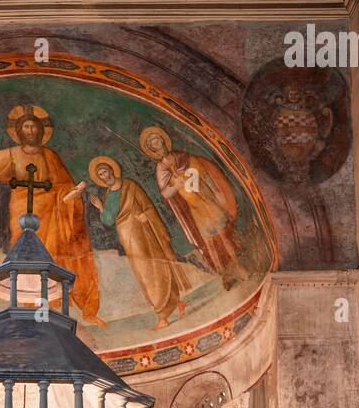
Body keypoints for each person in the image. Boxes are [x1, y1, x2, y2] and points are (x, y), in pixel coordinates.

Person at [0, 104, 105, 325]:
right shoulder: (13, 153)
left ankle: (51, 306)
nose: (31, 131)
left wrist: (71, 194)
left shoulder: (50, 155)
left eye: (34, 127)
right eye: (26, 127)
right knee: (22, 251)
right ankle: (26, 305)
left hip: (52, 209)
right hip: (22, 206)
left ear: (41, 131)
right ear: (19, 131)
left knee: (52, 251)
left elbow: (64, 184)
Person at [87, 156, 198, 330]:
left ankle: (163, 314)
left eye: (105, 171)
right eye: (100, 175)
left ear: (111, 170)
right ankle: (174, 304)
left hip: (143, 231)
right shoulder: (108, 195)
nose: (104, 176)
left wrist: (146, 215)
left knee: (155, 267)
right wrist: (101, 207)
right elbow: (108, 221)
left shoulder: (130, 185)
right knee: (144, 274)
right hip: (128, 237)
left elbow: (147, 204)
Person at [140, 126, 244, 291]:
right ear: (153, 149)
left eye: (159, 141)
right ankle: (224, 274)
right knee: (209, 243)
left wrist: (217, 191)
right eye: (154, 144)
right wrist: (177, 185)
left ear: (164, 141)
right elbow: (166, 193)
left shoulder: (182, 157)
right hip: (194, 209)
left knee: (224, 235)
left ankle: (238, 268)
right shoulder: (161, 168)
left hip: (206, 200)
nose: (159, 145)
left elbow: (203, 174)